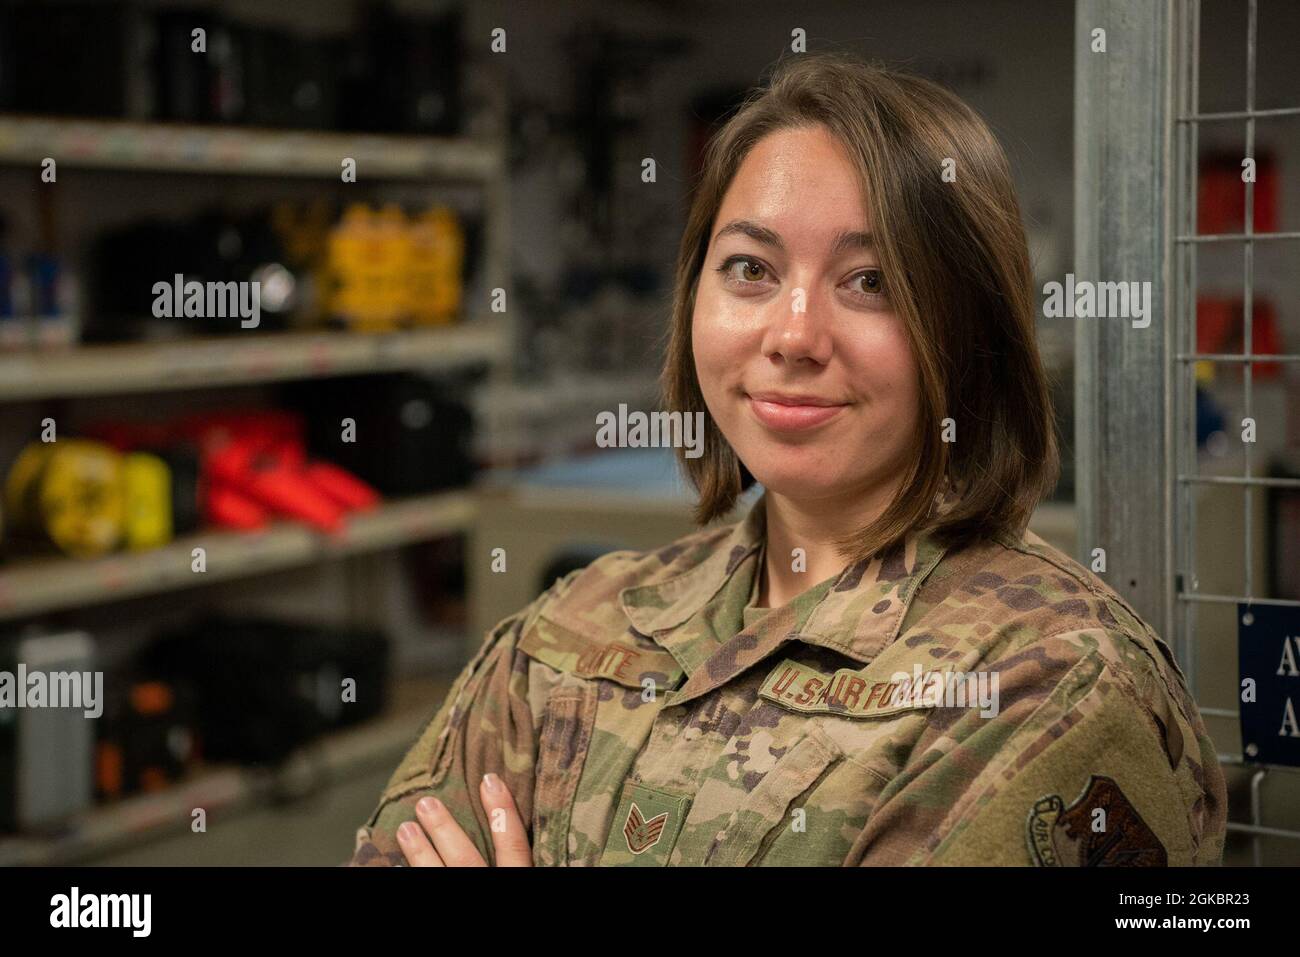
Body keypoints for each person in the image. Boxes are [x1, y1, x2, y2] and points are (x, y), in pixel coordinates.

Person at [349, 52, 1227, 867]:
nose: (793, 334)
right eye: (750, 269)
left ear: (971, 333)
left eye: (870, 281)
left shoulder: (1047, 683)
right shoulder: (575, 626)